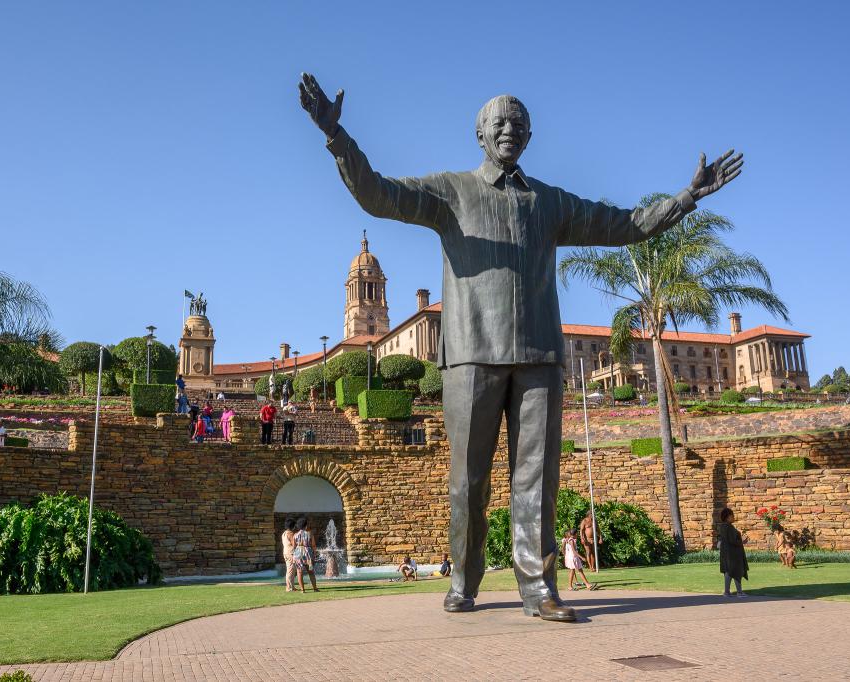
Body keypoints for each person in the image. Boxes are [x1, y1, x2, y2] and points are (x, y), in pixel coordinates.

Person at [299, 72, 742, 621]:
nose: (508, 130)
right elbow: (377, 194)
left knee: (537, 478)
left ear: (528, 136)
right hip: (469, 355)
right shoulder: (449, 193)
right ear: (480, 136)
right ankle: (463, 580)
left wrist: (686, 198)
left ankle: (538, 587)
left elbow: (625, 224)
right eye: (497, 123)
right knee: (468, 481)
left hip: (538, 356)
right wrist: (337, 138)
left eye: (518, 123)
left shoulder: (549, 202)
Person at [718, 507, 749, 597]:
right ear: (727, 517)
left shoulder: (724, 527)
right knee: (736, 571)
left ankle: (727, 592)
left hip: (727, 553)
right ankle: (739, 592)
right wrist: (742, 542)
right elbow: (732, 540)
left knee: (728, 571)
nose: (733, 517)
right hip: (732, 554)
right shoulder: (728, 527)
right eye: (732, 515)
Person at [292, 517, 319, 593]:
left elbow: (294, 546)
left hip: (298, 553)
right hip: (308, 552)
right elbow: (313, 545)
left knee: (299, 572)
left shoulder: (295, 535)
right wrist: (314, 553)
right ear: (305, 526)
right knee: (311, 571)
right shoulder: (309, 534)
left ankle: (302, 590)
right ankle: (315, 588)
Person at [281, 518, 297, 592]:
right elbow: (294, 544)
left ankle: (291, 586)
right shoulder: (290, 534)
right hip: (291, 553)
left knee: (290, 570)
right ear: (292, 526)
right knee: (290, 571)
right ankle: (289, 587)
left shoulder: (284, 533)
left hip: (286, 552)